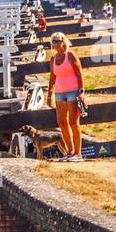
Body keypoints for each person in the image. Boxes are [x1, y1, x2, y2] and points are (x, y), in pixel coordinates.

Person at [47, 32, 85, 162]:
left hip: (73, 91)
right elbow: (52, 77)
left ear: (64, 41)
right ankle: (70, 151)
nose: (55, 43)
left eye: (57, 40)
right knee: (62, 122)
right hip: (59, 92)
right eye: (53, 41)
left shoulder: (70, 55)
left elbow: (79, 73)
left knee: (73, 122)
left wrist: (81, 91)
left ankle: (78, 153)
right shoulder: (53, 58)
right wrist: (49, 94)